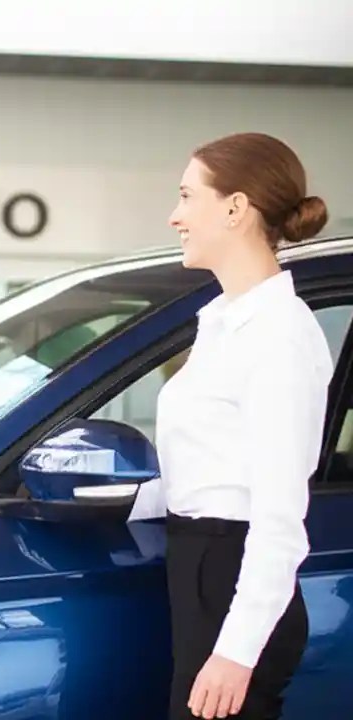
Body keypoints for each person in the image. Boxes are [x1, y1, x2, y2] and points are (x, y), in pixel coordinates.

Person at [130, 132, 331, 719]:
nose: (175, 216)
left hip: (234, 583)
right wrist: (116, 498)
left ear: (235, 208)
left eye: (188, 196)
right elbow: (213, 468)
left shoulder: (278, 337)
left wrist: (236, 653)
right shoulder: (221, 324)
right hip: (201, 569)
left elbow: (278, 518)